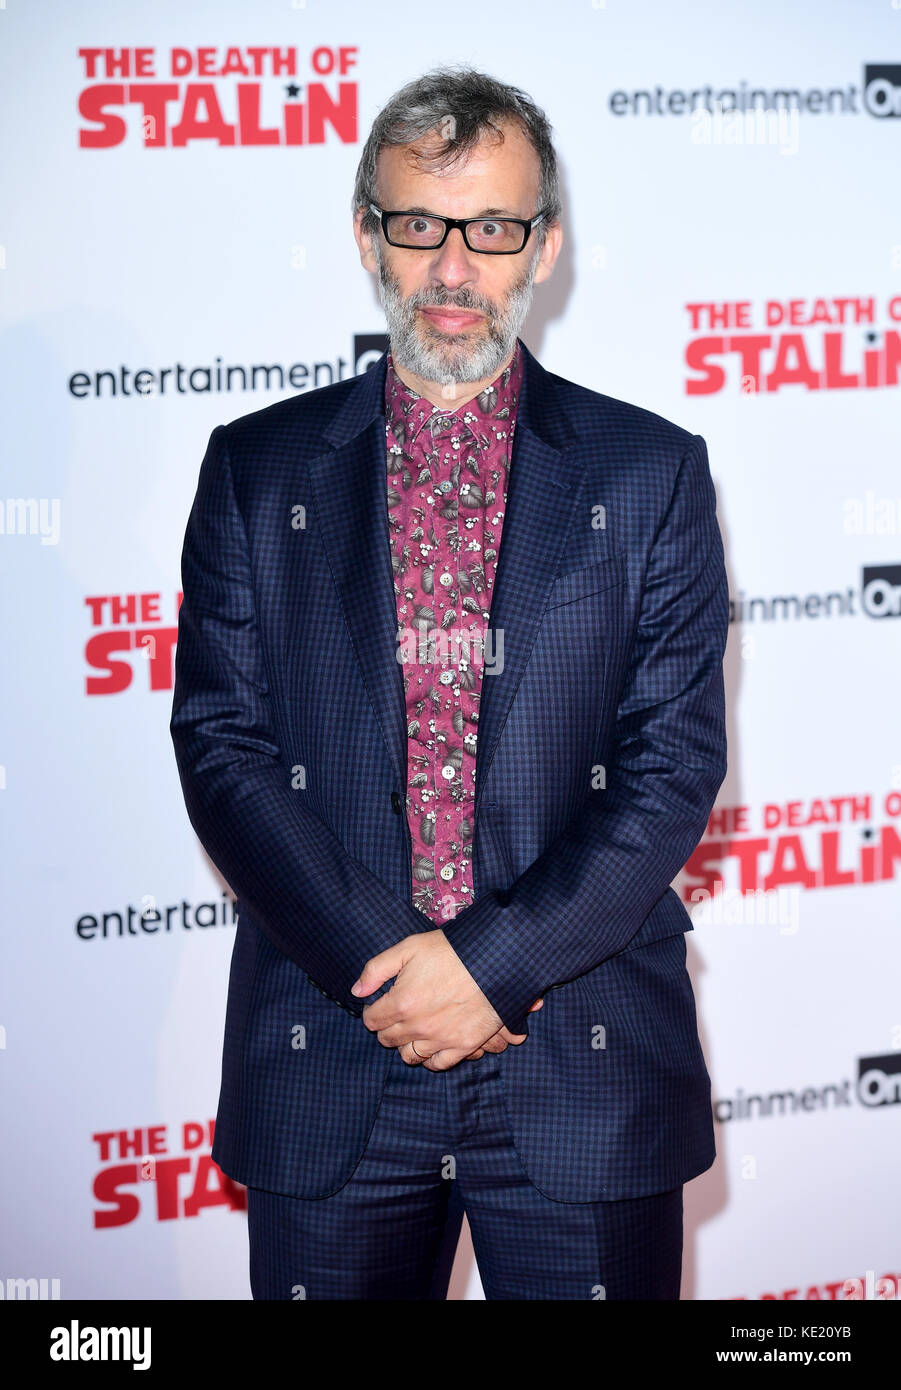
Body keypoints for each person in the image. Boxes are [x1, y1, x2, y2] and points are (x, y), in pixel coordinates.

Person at [170, 65, 729, 1301]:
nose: (454, 270)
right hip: (334, 1040)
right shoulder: (256, 472)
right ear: (368, 231)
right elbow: (222, 746)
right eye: (420, 226)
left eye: (492, 230)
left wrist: (484, 967)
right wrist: (396, 967)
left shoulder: (651, 473)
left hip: (579, 1046)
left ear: (547, 243)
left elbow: (672, 764)